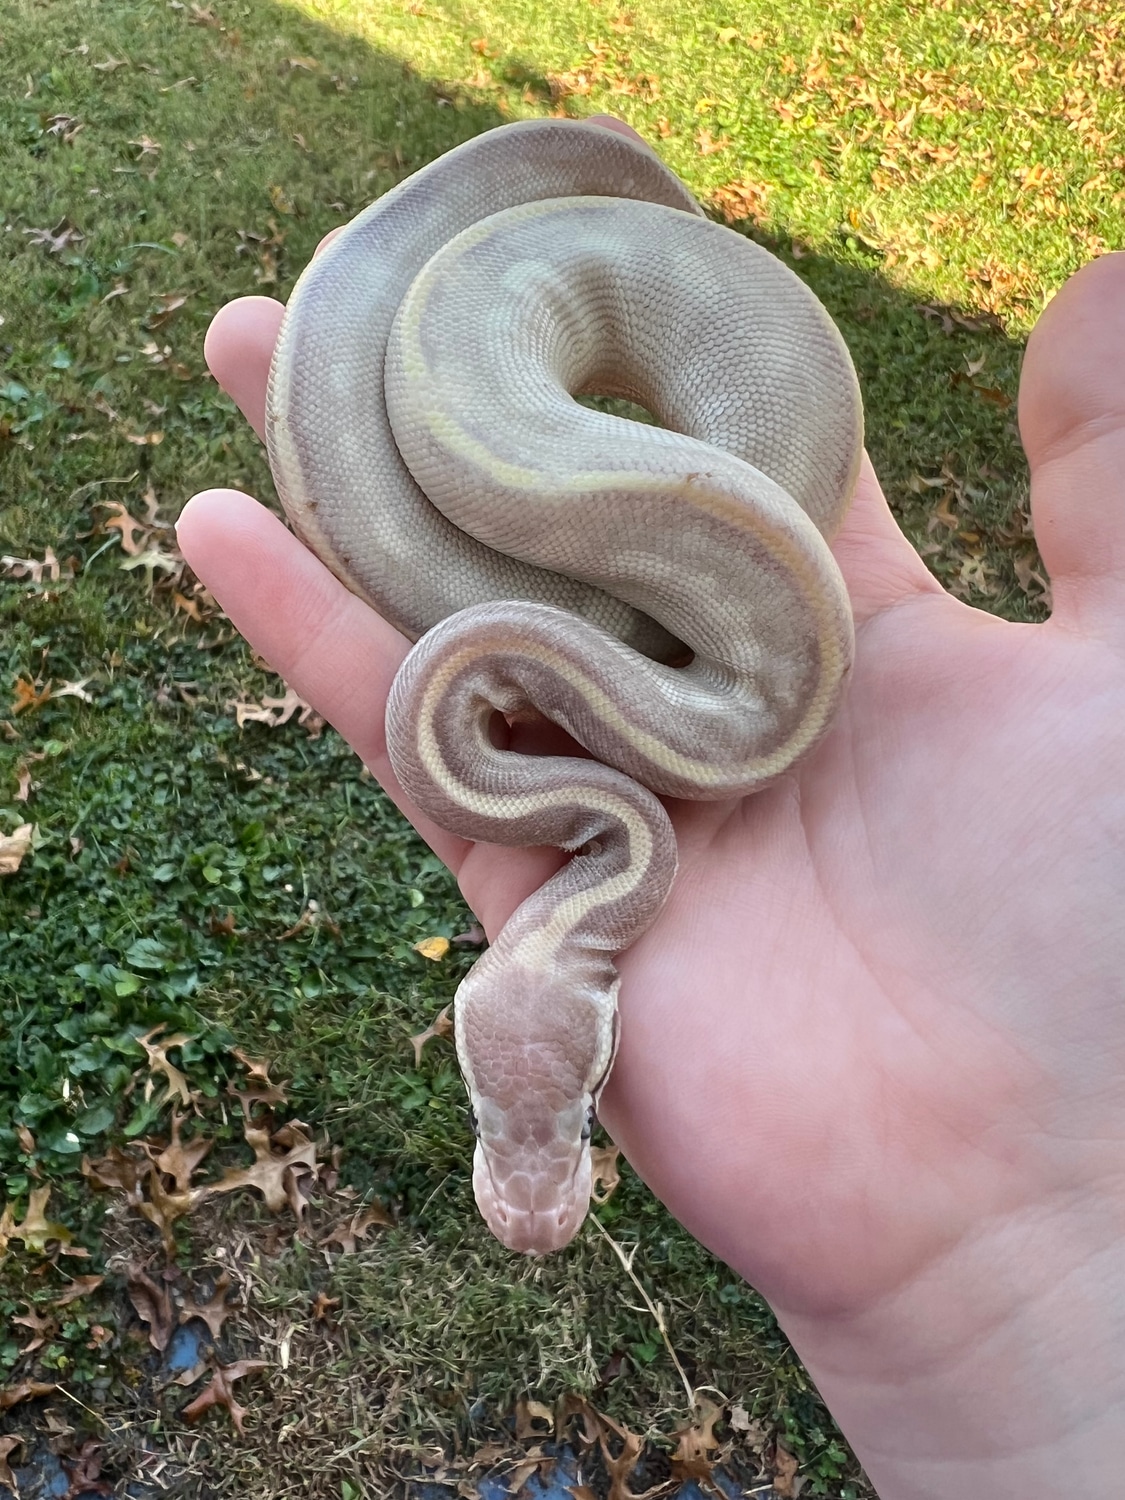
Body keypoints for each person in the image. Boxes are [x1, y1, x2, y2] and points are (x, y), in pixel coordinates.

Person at [176, 116, 1125, 1500]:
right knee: (656, 529)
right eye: (556, 1130)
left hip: (594, 387)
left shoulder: (566, 771)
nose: (541, 1152)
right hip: (622, 449)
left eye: (530, 1124)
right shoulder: (607, 777)